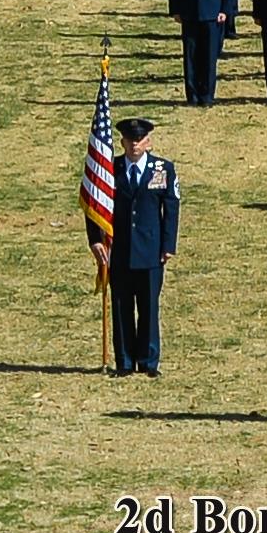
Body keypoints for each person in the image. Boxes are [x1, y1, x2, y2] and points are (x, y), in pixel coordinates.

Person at [105, 114, 178, 374]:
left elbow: (171, 206)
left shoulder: (163, 169)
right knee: (122, 307)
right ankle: (124, 361)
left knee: (148, 308)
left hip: (150, 252)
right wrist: (97, 242)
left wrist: (168, 245)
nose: (135, 145)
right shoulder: (109, 169)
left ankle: (148, 362)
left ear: (148, 142)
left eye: (140, 140)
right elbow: (95, 205)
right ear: (122, 142)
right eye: (129, 140)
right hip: (120, 250)